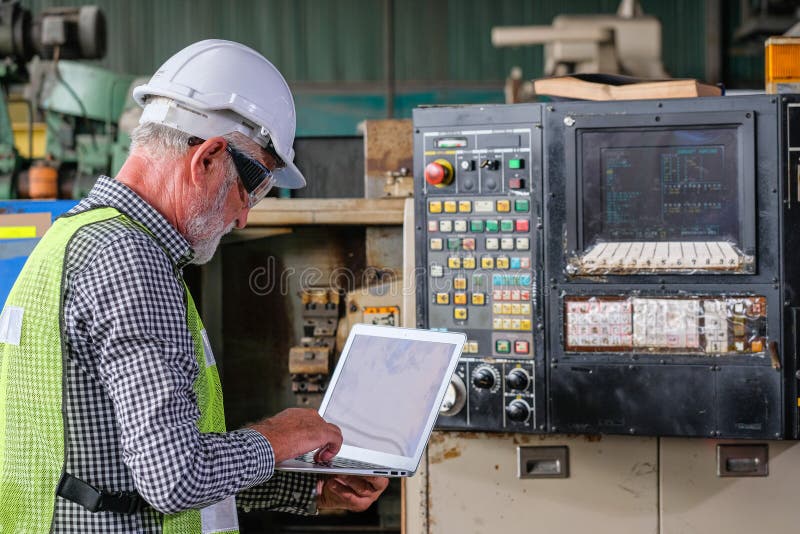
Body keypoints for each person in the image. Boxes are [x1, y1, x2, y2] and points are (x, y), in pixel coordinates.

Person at [0, 39, 387, 533]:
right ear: (207, 158)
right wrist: (278, 437)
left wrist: (309, 487)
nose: (244, 217)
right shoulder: (130, 260)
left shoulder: (75, 235)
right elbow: (174, 477)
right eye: (252, 190)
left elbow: (124, 471)